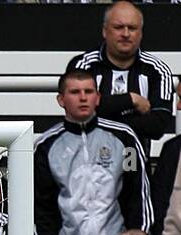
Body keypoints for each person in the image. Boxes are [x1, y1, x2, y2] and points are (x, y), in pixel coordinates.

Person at [36, 69, 151, 235]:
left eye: (89, 91)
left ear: (98, 98)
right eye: (75, 92)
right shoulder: (45, 147)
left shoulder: (125, 139)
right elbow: (40, 210)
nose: (82, 97)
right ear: (61, 99)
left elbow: (136, 195)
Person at [66, 1, 174, 145]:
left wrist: (103, 112)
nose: (125, 34)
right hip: (86, 158)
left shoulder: (157, 70)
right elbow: (77, 112)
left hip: (134, 159)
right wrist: (131, 100)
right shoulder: (84, 66)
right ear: (105, 31)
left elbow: (157, 126)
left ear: (141, 33)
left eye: (132, 28)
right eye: (118, 27)